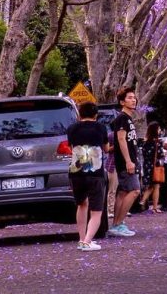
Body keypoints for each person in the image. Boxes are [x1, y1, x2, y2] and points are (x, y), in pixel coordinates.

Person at [67, 102, 110, 252]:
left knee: (81, 204)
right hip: (95, 172)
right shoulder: (100, 127)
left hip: (76, 172)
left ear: (79, 113)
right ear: (95, 114)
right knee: (96, 210)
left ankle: (81, 238)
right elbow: (105, 148)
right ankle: (87, 241)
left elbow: (71, 147)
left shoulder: (72, 128)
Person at [110, 86, 140, 236]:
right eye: (129, 98)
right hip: (126, 162)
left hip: (129, 160)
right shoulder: (122, 118)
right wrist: (129, 161)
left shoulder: (128, 119)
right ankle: (118, 224)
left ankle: (116, 225)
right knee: (134, 191)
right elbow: (121, 139)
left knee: (122, 193)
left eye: (134, 97)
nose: (133, 100)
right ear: (122, 102)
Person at [139, 121, 165, 213]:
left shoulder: (145, 142)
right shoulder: (158, 142)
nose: (160, 130)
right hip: (156, 166)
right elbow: (161, 154)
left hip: (147, 165)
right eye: (159, 129)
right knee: (156, 186)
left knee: (150, 186)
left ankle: (143, 201)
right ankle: (153, 206)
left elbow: (143, 154)